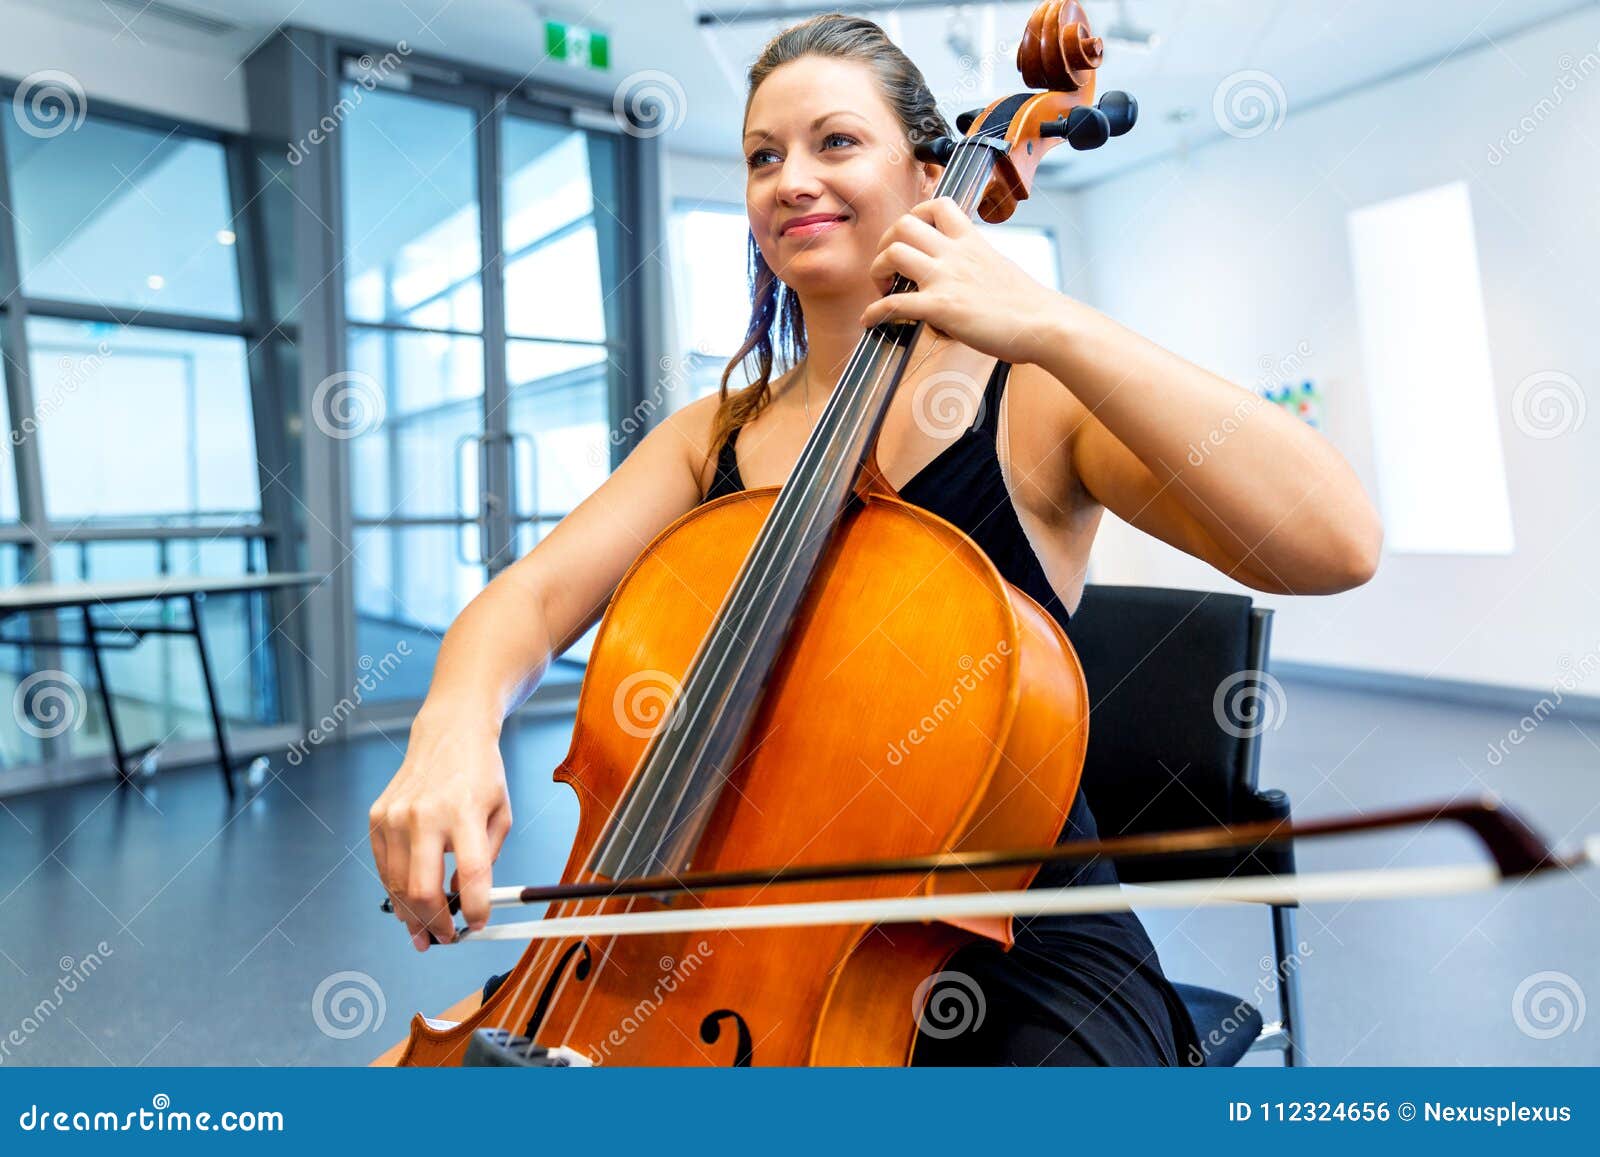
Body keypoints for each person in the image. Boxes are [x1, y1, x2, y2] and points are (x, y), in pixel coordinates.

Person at [369, 13, 1382, 1066]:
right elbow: (529, 599)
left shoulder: (1033, 400)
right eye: (763, 156)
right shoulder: (712, 436)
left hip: (1003, 950)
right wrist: (453, 727)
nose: (790, 179)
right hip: (698, 935)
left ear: (929, 173)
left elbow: (1335, 542)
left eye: (836, 142)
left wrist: (1051, 323)